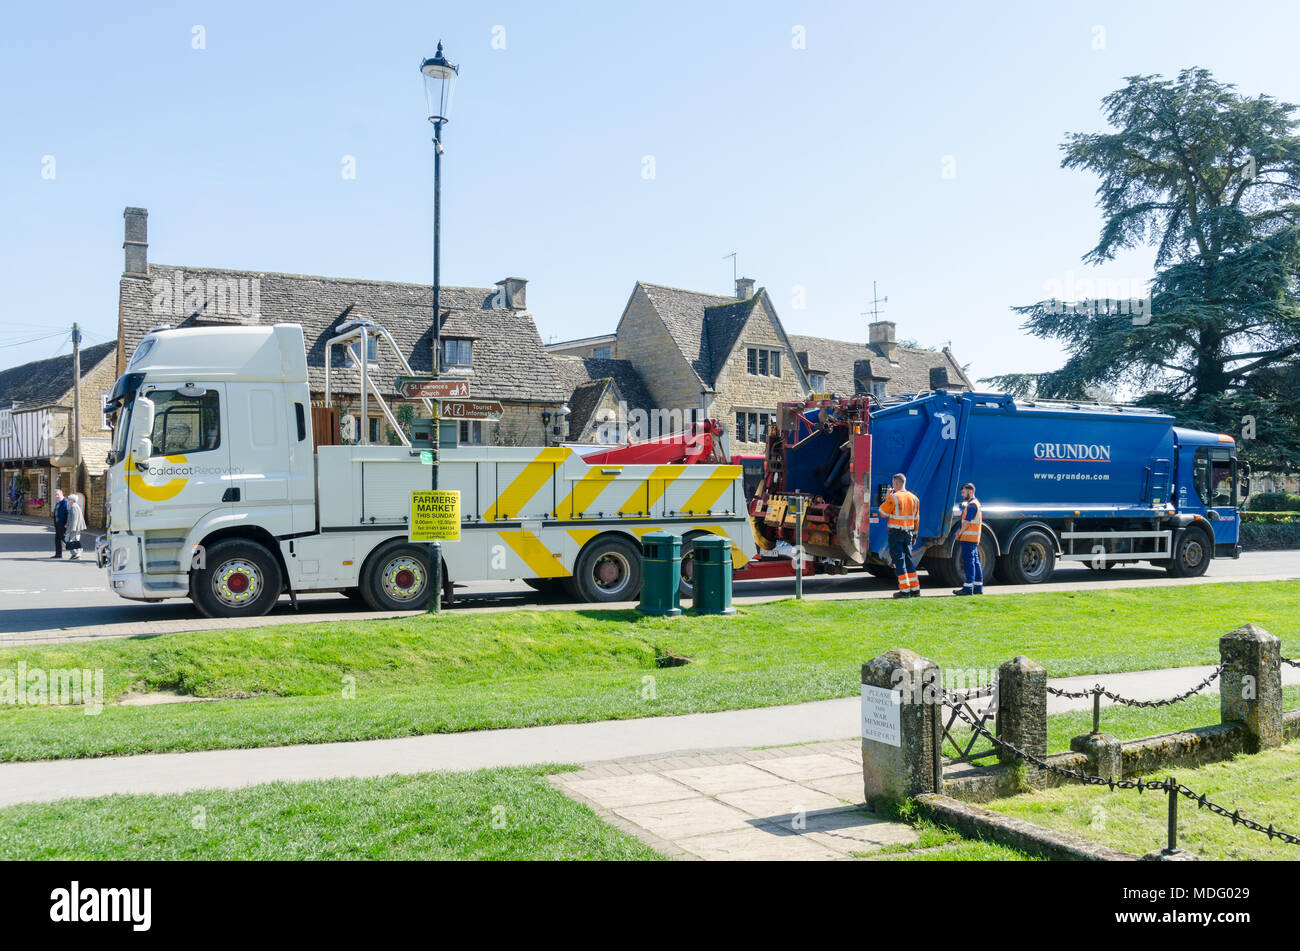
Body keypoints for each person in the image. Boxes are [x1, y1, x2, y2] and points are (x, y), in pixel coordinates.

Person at [879, 472, 921, 598]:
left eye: (893, 483)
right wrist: (914, 535)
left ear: (896, 483)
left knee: (899, 561)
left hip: (896, 533)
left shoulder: (894, 497)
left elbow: (882, 513)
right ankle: (915, 589)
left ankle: (904, 591)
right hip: (909, 533)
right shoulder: (914, 498)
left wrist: (887, 497)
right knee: (909, 560)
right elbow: (916, 519)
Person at [953, 482, 983, 596]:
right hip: (973, 537)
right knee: (975, 561)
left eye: (964, 492)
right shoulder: (975, 504)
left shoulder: (971, 505)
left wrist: (960, 532)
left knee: (969, 562)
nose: (962, 495)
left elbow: (967, 522)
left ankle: (968, 587)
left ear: (971, 491)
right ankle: (978, 586)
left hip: (968, 538)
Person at [65, 492, 87, 560]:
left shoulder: (74, 506)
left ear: (72, 500)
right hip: (74, 526)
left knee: (70, 540)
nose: (68, 500)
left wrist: (73, 528)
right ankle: (75, 553)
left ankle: (77, 553)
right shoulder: (74, 506)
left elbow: (75, 518)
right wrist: (67, 524)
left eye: (69, 499)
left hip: (75, 527)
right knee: (74, 540)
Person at [51, 488, 68, 559]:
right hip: (57, 524)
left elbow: (68, 513)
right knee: (57, 539)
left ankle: (77, 551)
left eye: (58, 494)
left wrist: (67, 523)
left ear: (62, 494)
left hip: (63, 524)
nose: (56, 496)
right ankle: (58, 554)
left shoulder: (65, 502)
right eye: (55, 495)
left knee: (65, 539)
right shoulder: (58, 502)